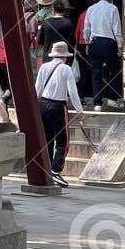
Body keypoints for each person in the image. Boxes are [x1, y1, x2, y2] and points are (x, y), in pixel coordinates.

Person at [35, 40, 81, 186]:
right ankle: (56, 170)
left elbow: (37, 89)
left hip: (43, 104)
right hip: (58, 106)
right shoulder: (66, 69)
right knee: (63, 142)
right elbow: (72, 92)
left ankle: (47, 168)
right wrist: (79, 110)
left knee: (47, 139)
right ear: (65, 56)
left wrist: (36, 107)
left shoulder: (44, 67)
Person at [83, 0, 124, 110]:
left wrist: (87, 43)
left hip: (95, 42)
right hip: (109, 43)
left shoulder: (91, 9)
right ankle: (112, 98)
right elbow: (117, 29)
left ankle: (97, 102)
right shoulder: (113, 8)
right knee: (114, 71)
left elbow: (86, 29)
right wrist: (120, 46)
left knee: (96, 73)